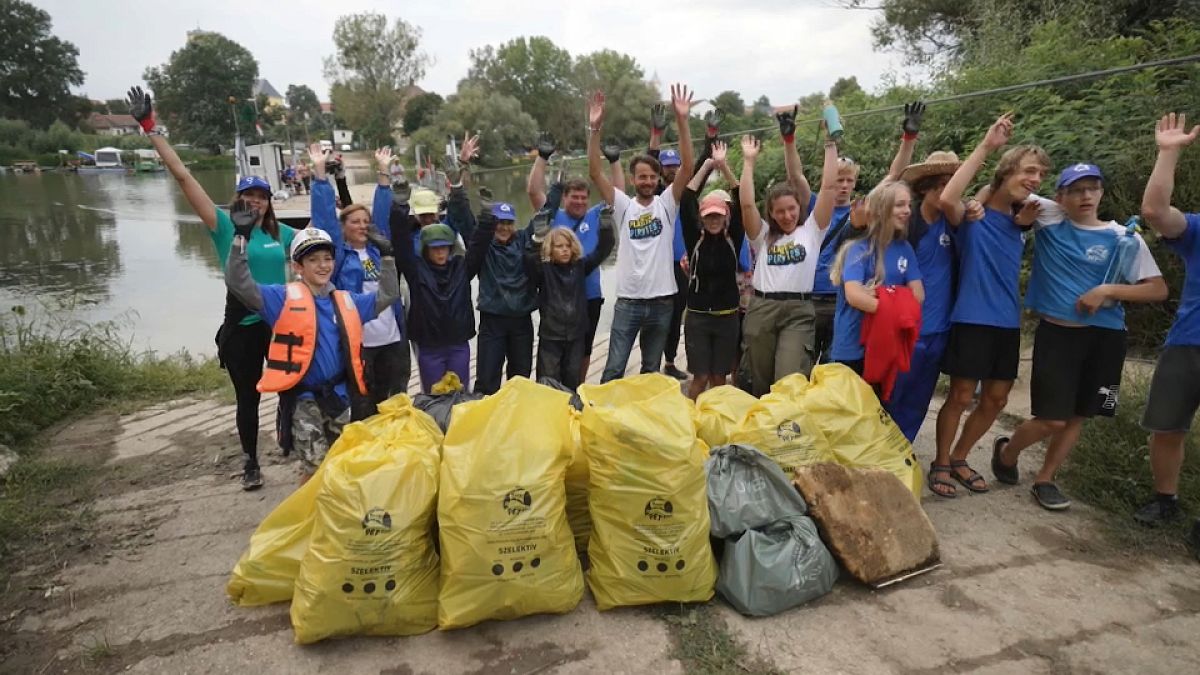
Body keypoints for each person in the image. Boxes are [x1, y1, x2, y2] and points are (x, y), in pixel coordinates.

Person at [125, 85, 298, 491]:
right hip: (242, 324)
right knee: (248, 398)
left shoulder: (285, 234)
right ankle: (251, 462)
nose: (255, 202)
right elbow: (184, 178)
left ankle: (294, 440)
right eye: (249, 196)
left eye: (262, 197)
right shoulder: (223, 228)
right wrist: (151, 128)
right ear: (238, 200)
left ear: (269, 203)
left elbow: (320, 253)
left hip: (282, 323)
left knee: (295, 387)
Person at [988, 163, 1166, 510]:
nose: (1085, 196)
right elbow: (1005, 187)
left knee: (1080, 414)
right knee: (1051, 417)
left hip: (1107, 338)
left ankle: (1046, 479)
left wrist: (1105, 290)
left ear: (1101, 192)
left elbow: (1157, 289)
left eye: (1092, 188)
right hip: (1058, 335)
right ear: (1060, 196)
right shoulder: (1051, 217)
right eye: (1075, 190)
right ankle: (1008, 451)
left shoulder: (1124, 237)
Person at [930, 113, 1049, 497]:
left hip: (1006, 322)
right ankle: (941, 462)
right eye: (1028, 171)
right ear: (1006, 173)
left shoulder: (1022, 221)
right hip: (972, 317)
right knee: (961, 396)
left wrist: (1023, 224)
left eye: (1040, 175)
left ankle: (962, 457)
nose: (1035, 180)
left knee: (996, 399)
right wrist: (987, 145)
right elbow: (948, 197)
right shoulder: (971, 215)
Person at [225, 222, 398, 475]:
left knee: (339, 463)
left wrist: (388, 256)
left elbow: (388, 295)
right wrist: (240, 238)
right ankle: (309, 512)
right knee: (315, 467)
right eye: (313, 259)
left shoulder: (347, 301)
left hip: (338, 398)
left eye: (327, 258)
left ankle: (331, 510)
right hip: (303, 401)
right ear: (297, 267)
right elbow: (239, 284)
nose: (323, 265)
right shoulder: (280, 299)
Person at [587, 84, 695, 383]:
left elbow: (687, 167)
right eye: (642, 177)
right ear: (633, 180)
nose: (647, 181)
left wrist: (682, 121)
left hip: (662, 301)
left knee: (650, 371)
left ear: (659, 179)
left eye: (652, 176)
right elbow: (596, 172)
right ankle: (605, 418)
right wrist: (594, 129)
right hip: (629, 302)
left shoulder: (667, 204)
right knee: (614, 368)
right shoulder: (623, 206)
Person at [809, 103, 926, 364]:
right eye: (838, 179)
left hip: (844, 301)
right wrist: (828, 142)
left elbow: (894, 176)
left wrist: (908, 139)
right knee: (807, 374)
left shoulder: (864, 207)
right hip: (814, 298)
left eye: (849, 180)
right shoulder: (816, 204)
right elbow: (798, 178)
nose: (844, 184)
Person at [1131, 112, 1200, 554]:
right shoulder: (1199, 229)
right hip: (1188, 343)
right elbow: (1155, 211)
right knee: (1166, 428)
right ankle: (1165, 500)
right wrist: (1168, 153)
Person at [308, 144, 409, 419]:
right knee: (363, 403)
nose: (363, 226)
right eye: (355, 222)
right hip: (360, 341)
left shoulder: (379, 249)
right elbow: (325, 219)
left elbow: (384, 213)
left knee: (394, 399)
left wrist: (384, 172)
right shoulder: (339, 255)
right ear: (344, 227)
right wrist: (320, 174)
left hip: (391, 336)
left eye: (366, 221)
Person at [738, 127, 840, 396]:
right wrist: (748, 162)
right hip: (762, 308)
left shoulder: (813, 231)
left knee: (789, 381)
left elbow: (829, 186)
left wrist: (830, 144)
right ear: (771, 213)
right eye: (779, 211)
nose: (786, 216)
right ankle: (763, 434)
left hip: (798, 311)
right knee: (759, 383)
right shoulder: (762, 236)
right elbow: (747, 205)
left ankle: (786, 432)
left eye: (791, 209)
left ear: (800, 208)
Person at [527, 133, 623, 384]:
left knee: (585, 349)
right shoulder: (553, 215)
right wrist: (542, 158)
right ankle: (552, 390)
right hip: (557, 298)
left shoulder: (595, 214)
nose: (579, 202)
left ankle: (577, 388)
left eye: (583, 197)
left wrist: (614, 162)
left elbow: (619, 195)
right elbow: (533, 190)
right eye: (574, 197)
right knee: (553, 352)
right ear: (565, 198)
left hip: (588, 296)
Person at [885, 149, 966, 441]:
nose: (949, 191)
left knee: (919, 399)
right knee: (891, 396)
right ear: (926, 187)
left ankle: (902, 450)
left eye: (954, 182)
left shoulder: (956, 222)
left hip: (939, 329)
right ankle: (878, 454)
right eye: (943, 184)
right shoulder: (907, 225)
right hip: (906, 330)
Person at [391, 148, 477, 392]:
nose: (428, 219)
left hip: (454, 329)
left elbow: (468, 227)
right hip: (423, 317)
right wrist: (398, 206)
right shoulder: (412, 251)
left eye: (432, 214)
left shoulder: (454, 248)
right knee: (433, 393)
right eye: (423, 215)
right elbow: (400, 244)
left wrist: (458, 186)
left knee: (460, 393)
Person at [829, 180, 924, 377]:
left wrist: (879, 294)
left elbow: (918, 296)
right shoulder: (858, 249)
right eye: (899, 205)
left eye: (908, 204)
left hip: (886, 346)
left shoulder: (905, 248)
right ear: (881, 210)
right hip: (852, 347)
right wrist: (896, 301)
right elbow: (854, 296)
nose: (907, 210)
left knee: (879, 406)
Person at [460, 153, 536, 395]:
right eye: (498, 222)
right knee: (487, 378)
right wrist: (460, 177)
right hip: (492, 321)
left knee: (520, 378)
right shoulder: (483, 244)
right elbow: (463, 218)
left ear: (514, 223)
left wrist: (546, 165)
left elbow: (546, 210)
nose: (503, 227)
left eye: (507, 222)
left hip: (522, 321)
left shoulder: (524, 240)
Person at [679, 141, 745, 399]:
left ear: (725, 216)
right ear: (702, 218)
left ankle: (716, 423)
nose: (714, 220)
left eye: (718, 215)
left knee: (720, 378)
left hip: (727, 317)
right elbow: (686, 198)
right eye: (709, 216)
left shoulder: (734, 238)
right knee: (700, 378)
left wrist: (724, 166)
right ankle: (689, 423)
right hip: (698, 318)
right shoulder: (694, 238)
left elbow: (740, 195)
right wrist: (707, 164)